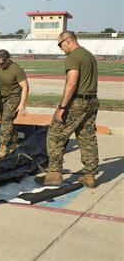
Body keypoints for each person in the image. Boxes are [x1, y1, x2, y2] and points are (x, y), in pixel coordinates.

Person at [43, 31, 99, 188]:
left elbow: (71, 83)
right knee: (87, 137)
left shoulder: (73, 57)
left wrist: (62, 107)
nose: (60, 48)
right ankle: (90, 175)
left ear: (67, 41)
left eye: (60, 44)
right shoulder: (89, 55)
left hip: (77, 102)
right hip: (92, 100)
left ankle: (54, 173)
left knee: (55, 135)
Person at [0, 49, 29, 158]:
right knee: (4, 120)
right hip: (2, 97)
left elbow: (25, 87)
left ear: (8, 60)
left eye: (1, 63)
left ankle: (3, 147)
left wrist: (22, 104)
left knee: (6, 119)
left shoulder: (16, 69)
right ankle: (14, 140)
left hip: (14, 96)